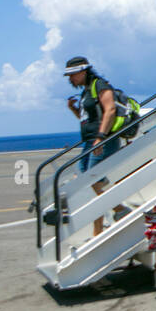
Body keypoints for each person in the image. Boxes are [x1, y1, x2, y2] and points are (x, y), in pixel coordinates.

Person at [64, 56, 131, 232]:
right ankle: (112, 215)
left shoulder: (99, 85)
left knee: (92, 183)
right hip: (89, 143)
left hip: (101, 141)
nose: (71, 79)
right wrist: (74, 109)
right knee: (86, 183)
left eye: (73, 74)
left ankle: (116, 213)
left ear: (83, 71)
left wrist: (101, 137)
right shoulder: (86, 90)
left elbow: (110, 109)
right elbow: (88, 118)